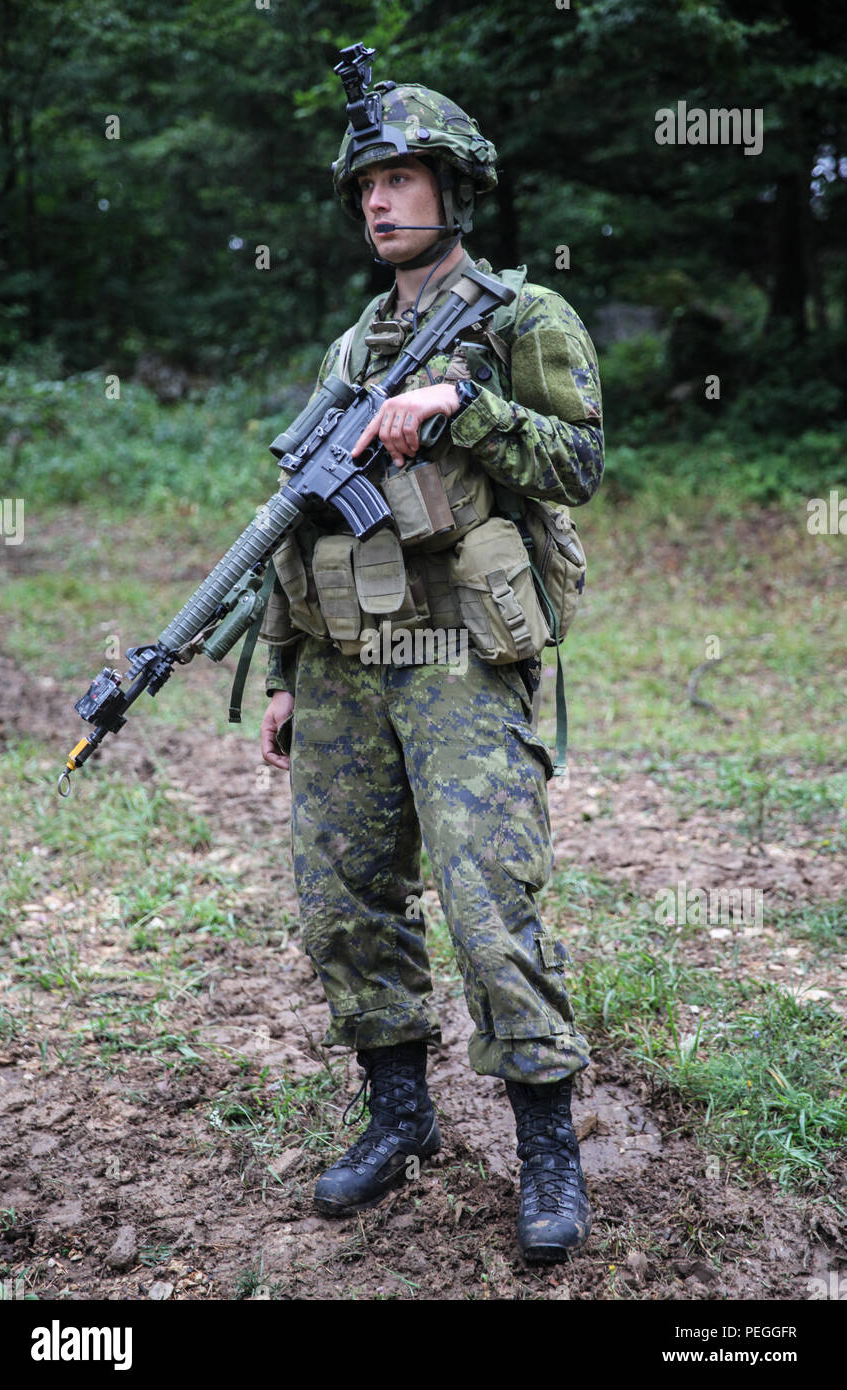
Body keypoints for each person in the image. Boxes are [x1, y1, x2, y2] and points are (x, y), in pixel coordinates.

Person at [259, 58, 604, 1264]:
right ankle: (398, 1112)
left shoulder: (520, 319)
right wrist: (285, 671)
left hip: (460, 647)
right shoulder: (350, 348)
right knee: (341, 893)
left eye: (398, 180)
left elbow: (578, 464)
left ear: (451, 191)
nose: (376, 204)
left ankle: (545, 1145)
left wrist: (465, 406)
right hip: (347, 655)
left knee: (484, 899)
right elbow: (298, 514)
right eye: (365, 187)